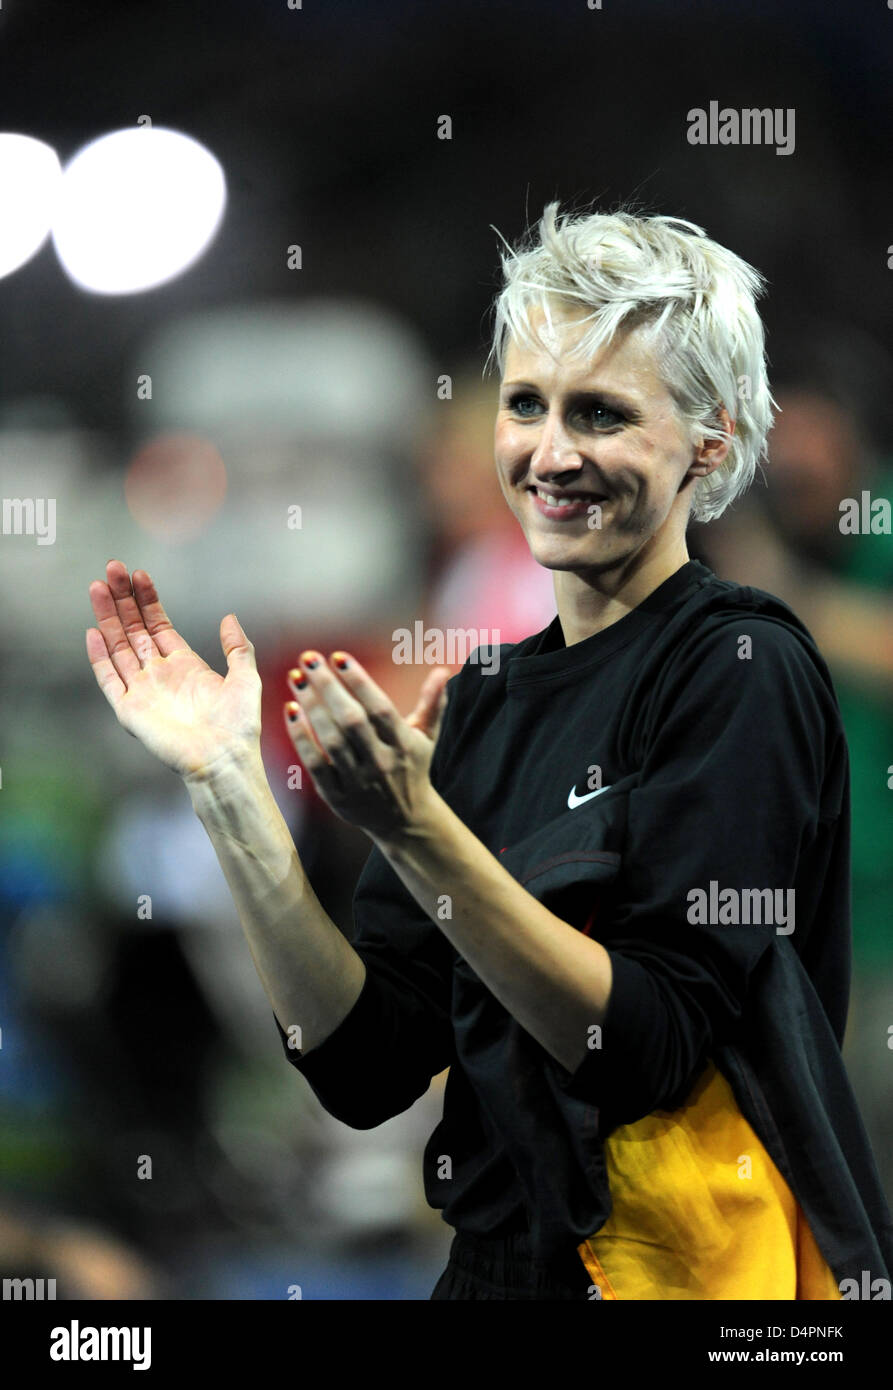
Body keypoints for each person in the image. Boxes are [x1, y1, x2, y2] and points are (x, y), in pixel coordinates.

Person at [86, 202, 893, 1300]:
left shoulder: (739, 668)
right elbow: (364, 1062)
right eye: (526, 404)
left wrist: (417, 830)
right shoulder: (484, 699)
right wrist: (230, 788)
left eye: (600, 413)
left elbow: (640, 1049)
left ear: (707, 443)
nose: (548, 453)